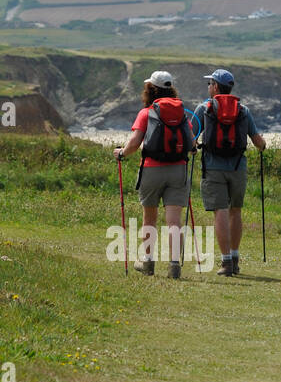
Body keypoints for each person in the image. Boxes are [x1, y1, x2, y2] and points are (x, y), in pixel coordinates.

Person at [114, 70, 195, 278]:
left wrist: (121, 152)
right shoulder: (181, 112)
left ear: (151, 89)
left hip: (151, 168)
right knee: (174, 219)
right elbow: (191, 143)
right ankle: (175, 265)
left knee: (149, 217)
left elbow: (134, 144)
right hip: (178, 169)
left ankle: (148, 263)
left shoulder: (146, 112)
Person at [190, 68, 266, 276]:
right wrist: (263, 146)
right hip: (237, 168)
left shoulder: (203, 108)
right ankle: (234, 257)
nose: (208, 87)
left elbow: (190, 137)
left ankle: (225, 263)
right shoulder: (243, 110)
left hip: (213, 168)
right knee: (235, 211)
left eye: (209, 83)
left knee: (220, 212)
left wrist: (193, 146)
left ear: (215, 86)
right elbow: (259, 142)